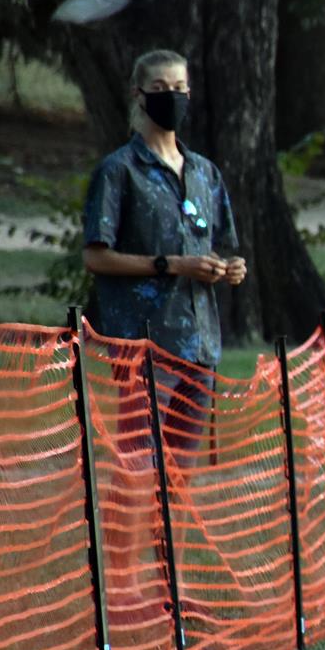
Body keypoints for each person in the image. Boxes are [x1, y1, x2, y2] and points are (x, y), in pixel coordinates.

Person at [81, 48, 247, 450]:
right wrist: (171, 265)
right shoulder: (119, 171)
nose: (170, 95)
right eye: (159, 88)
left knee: (179, 471)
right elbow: (95, 256)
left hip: (200, 343)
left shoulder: (205, 173)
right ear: (139, 94)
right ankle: (129, 518)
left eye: (178, 87)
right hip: (145, 342)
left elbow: (219, 244)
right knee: (139, 466)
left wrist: (229, 268)